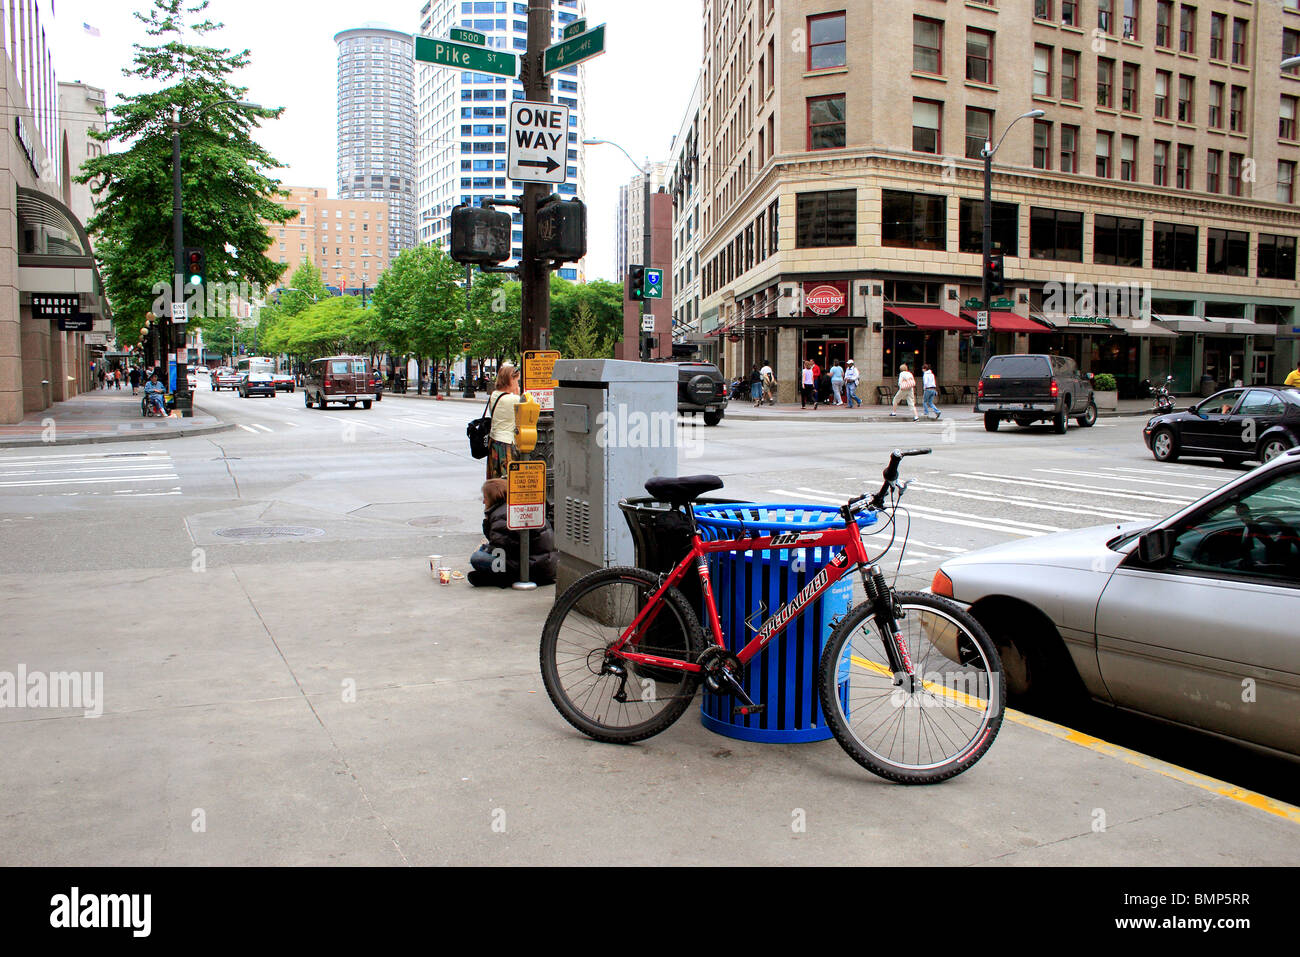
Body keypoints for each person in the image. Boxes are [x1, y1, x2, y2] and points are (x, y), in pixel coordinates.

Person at [468, 478, 557, 588]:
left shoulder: (501, 515)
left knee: (477, 558)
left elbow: (499, 549)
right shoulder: (510, 507)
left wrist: (487, 522)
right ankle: (491, 576)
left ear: (493, 497)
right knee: (483, 549)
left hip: (532, 568)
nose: (483, 501)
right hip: (544, 564)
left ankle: (500, 579)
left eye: (485, 498)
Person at [487, 364, 521, 479]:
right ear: (510, 380)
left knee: (495, 479)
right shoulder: (513, 399)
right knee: (508, 480)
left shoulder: (494, 395)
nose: (518, 384)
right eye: (517, 381)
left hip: (494, 441)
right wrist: (517, 393)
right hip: (506, 443)